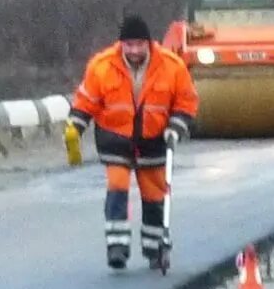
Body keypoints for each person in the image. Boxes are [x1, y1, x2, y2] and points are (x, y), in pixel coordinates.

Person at [66, 15, 200, 272]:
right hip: (115, 139)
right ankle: (117, 247)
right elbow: (87, 100)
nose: (135, 50)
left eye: (139, 44)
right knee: (117, 186)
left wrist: (176, 127)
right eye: (129, 45)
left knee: (154, 195)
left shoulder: (171, 66)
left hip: (154, 142)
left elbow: (187, 101)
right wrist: (76, 125)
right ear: (121, 45)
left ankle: (155, 249)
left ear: (148, 43)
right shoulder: (102, 66)